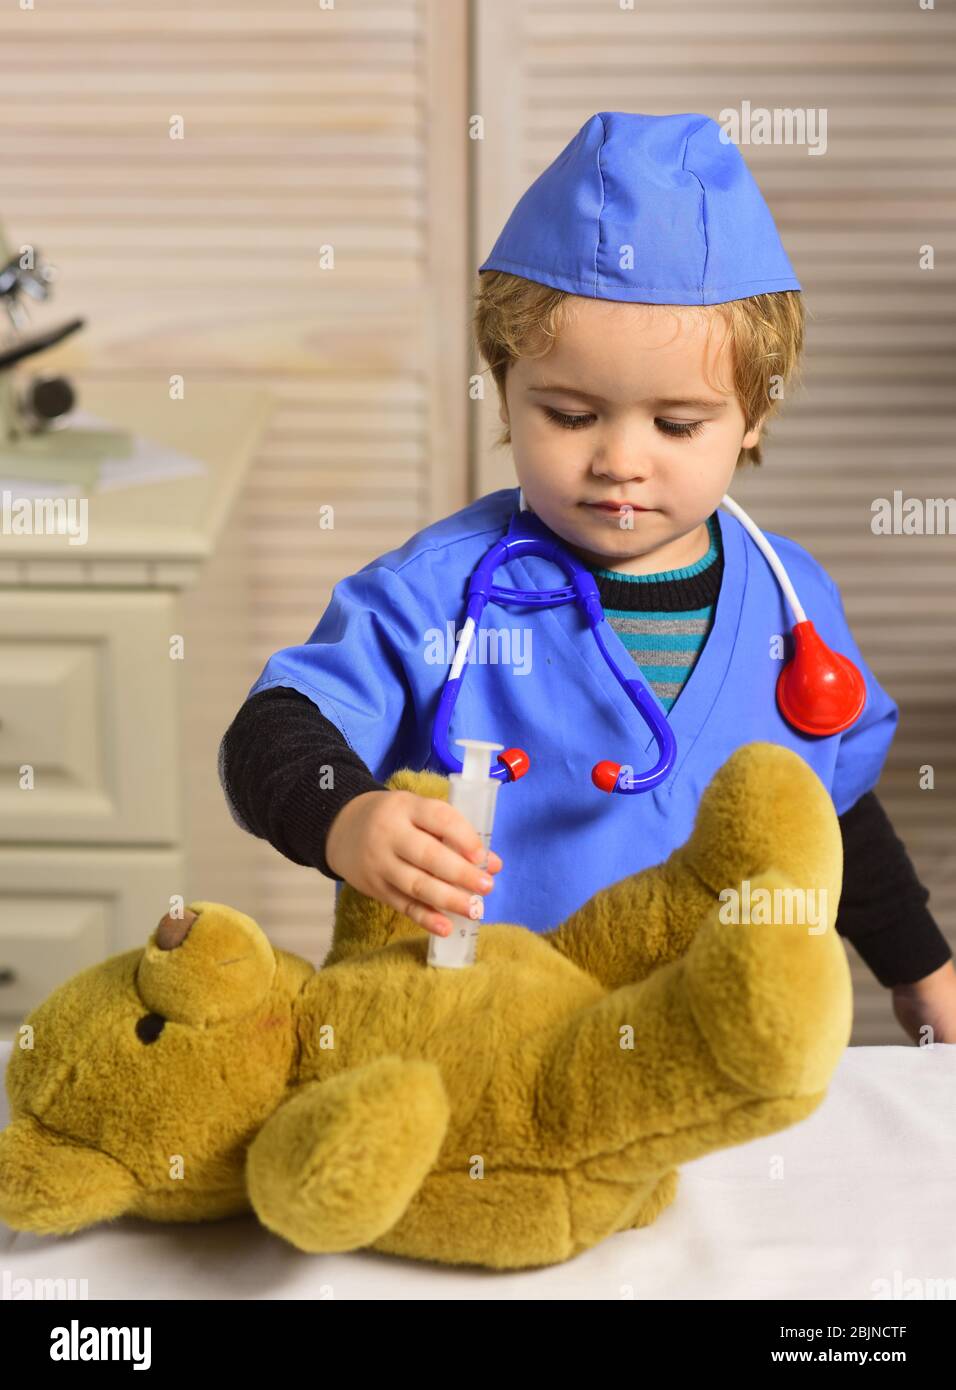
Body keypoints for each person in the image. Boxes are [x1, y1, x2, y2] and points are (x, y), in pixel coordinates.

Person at [219, 112, 955, 1041]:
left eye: (677, 426)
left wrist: (923, 971)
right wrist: (348, 818)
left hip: (713, 1057)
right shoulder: (437, 593)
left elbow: (830, 805)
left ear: (755, 414)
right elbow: (267, 732)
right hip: (493, 1051)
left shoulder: (791, 599)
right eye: (569, 414)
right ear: (506, 390)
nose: (619, 461)